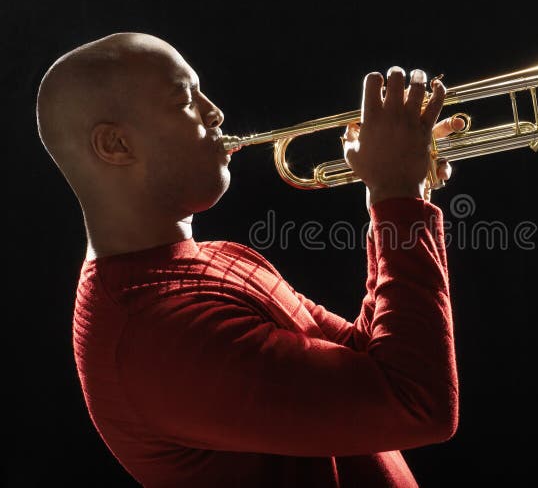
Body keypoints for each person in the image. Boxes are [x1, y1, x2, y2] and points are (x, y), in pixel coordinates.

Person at [36, 32, 463, 487]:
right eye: (185, 100)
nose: (215, 112)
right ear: (116, 145)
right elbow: (418, 403)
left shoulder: (215, 257)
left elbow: (366, 357)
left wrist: (405, 190)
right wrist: (396, 195)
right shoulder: (156, 333)